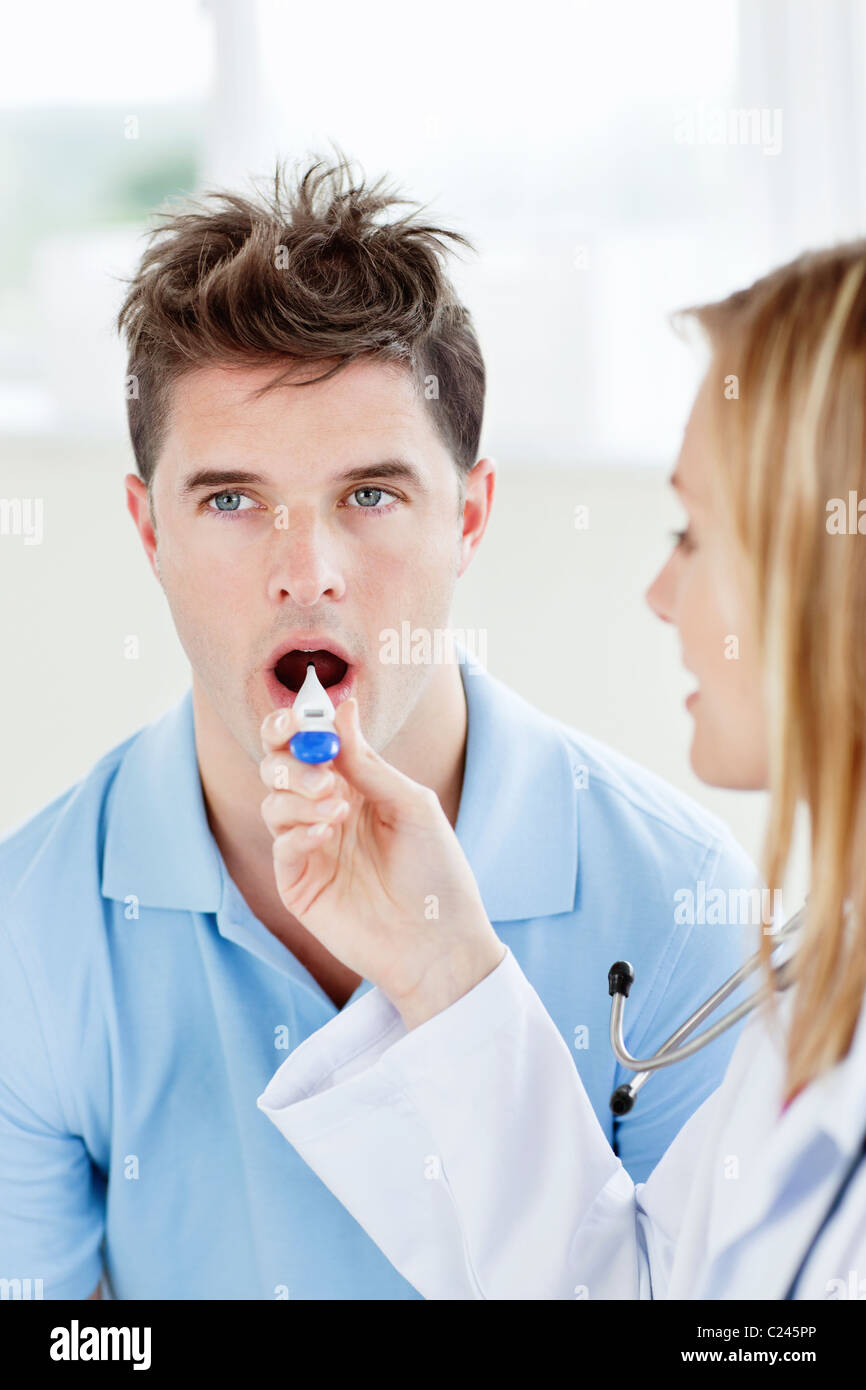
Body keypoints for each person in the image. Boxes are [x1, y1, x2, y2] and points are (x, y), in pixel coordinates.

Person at [0, 158, 756, 1302]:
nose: (306, 576)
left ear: (469, 515)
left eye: (369, 495)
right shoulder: (30, 934)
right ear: (146, 527)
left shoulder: (687, 906)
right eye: (230, 500)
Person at [256, 242, 866, 1299]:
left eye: (695, 533)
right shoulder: (817, 1001)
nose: (659, 594)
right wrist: (437, 962)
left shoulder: (687, 886)